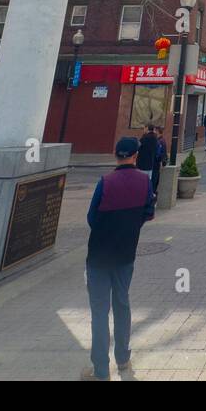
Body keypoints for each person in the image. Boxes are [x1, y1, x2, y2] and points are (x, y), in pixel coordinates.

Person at [83, 136, 156, 380]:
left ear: (116, 155)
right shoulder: (144, 183)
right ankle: (123, 358)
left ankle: (101, 370)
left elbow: (91, 218)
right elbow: (148, 213)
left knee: (99, 311)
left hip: (98, 255)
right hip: (126, 253)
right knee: (122, 304)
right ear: (135, 156)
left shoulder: (105, 182)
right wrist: (129, 226)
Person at [136, 123, 161, 195]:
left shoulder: (145, 138)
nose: (143, 129)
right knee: (148, 181)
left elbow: (138, 148)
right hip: (150, 164)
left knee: (141, 182)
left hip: (142, 164)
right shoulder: (155, 138)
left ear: (147, 128)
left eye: (144, 128)